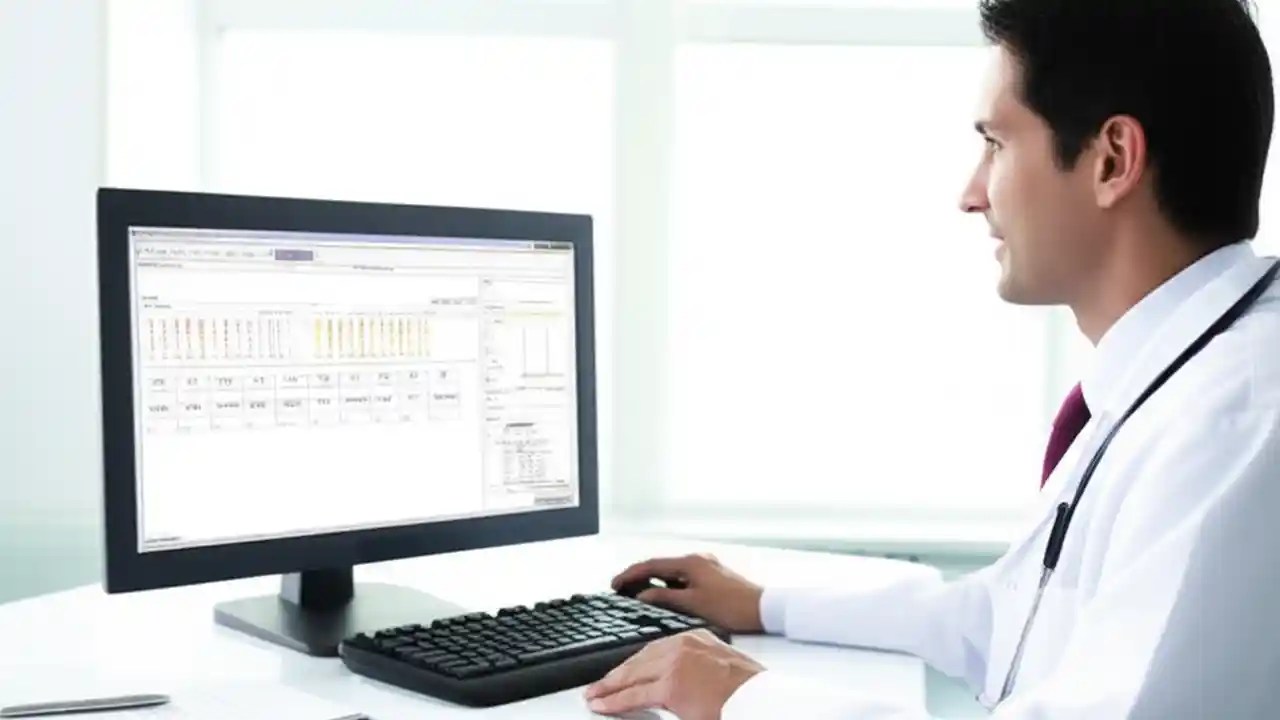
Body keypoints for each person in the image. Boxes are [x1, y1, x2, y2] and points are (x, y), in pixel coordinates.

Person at [583, 0, 1279, 717]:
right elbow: (1001, 618)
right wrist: (766, 604)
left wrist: (748, 699)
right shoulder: (1175, 377)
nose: (971, 193)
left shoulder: (1236, 414)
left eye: (997, 144)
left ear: (1112, 160)